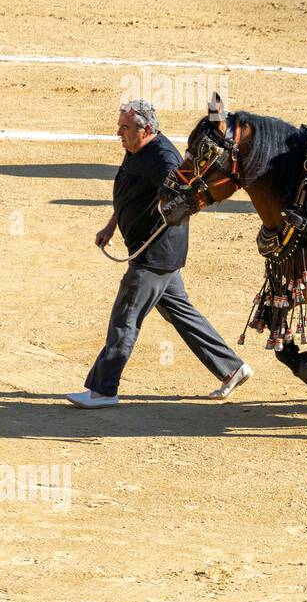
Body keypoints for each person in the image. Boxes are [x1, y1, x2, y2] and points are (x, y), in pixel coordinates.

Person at [66, 101, 251, 408]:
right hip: (158, 254)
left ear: (147, 129)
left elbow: (184, 197)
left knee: (125, 318)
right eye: (120, 126)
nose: (119, 133)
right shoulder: (137, 148)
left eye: (125, 128)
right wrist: (112, 225)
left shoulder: (165, 161)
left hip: (154, 256)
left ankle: (103, 390)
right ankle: (232, 367)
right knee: (182, 313)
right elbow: (130, 192)